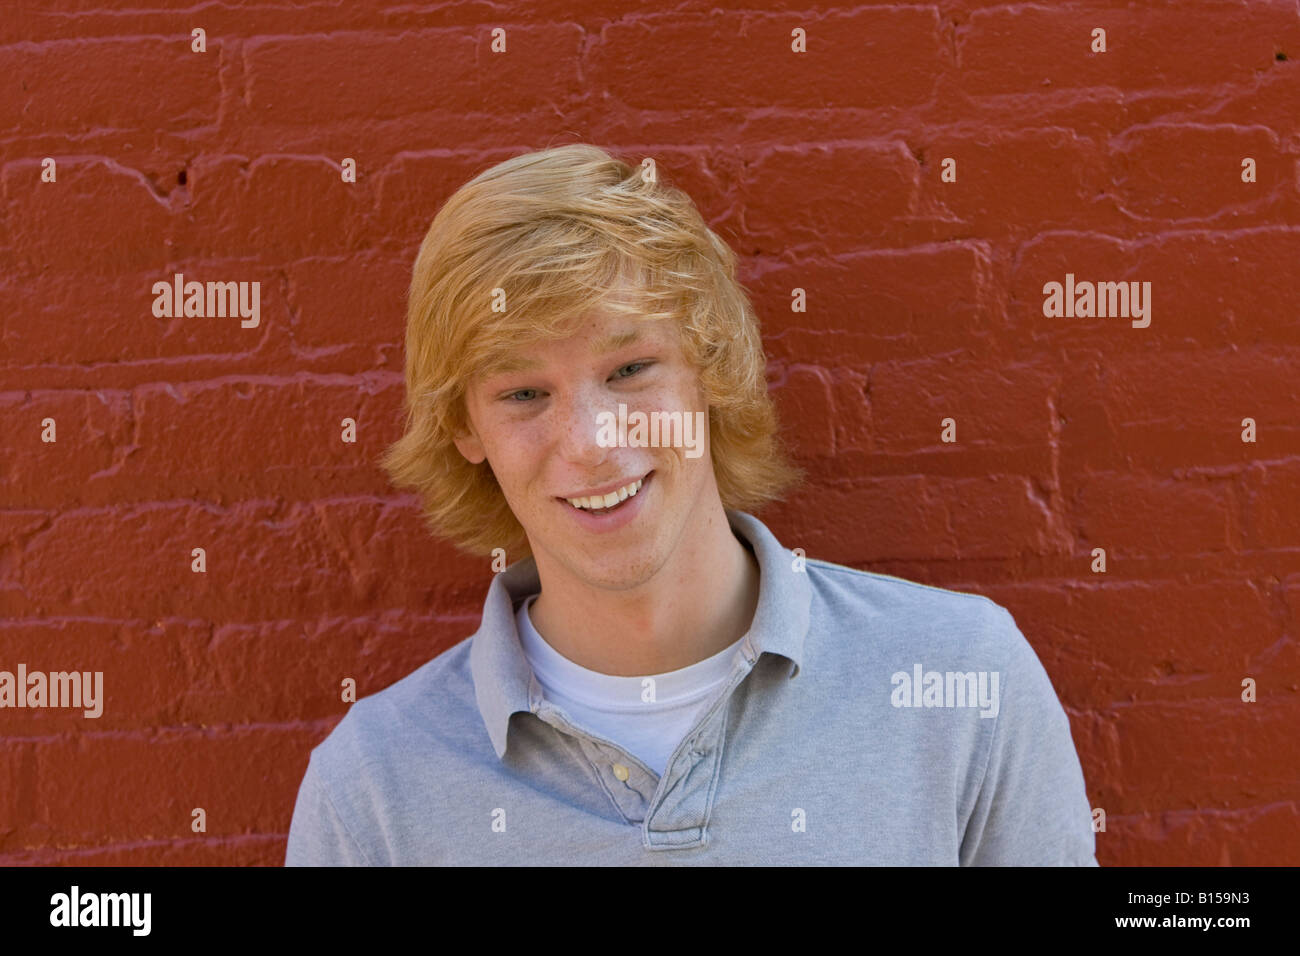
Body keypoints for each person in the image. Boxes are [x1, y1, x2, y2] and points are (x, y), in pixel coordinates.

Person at [285, 143, 1098, 865]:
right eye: (525, 392)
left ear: (709, 366)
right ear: (466, 426)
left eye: (631, 369)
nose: (592, 441)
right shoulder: (374, 791)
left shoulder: (958, 681)